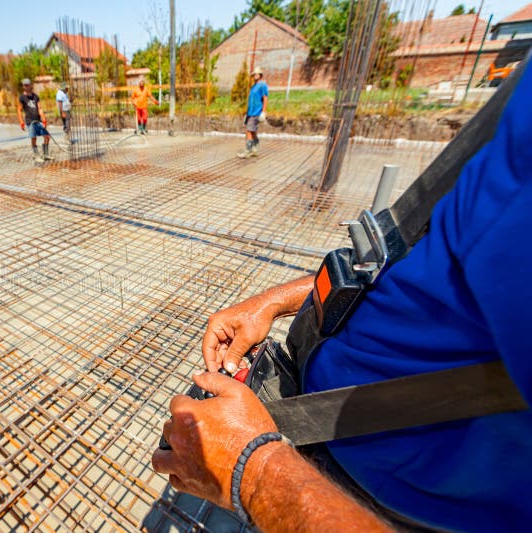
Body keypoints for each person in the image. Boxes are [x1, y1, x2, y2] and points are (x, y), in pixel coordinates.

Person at [152, 62, 532, 531]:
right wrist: (275, 301)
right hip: (309, 421)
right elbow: (418, 259)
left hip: (369, 496)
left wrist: (253, 470)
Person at [17, 78, 53, 163]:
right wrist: (21, 122)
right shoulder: (22, 98)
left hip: (38, 121)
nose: (26, 87)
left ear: (31, 85)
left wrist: (43, 119)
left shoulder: (36, 97)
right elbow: (19, 110)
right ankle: (36, 155)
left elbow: (40, 108)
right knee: (33, 138)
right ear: (23, 86)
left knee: (47, 137)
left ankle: (45, 154)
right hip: (30, 122)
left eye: (27, 85)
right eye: (24, 85)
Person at [238, 66, 269, 159]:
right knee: (253, 130)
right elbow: (251, 100)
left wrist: (263, 112)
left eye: (257, 73)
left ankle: (248, 150)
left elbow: (265, 98)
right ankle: (255, 147)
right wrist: (246, 113)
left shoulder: (263, 85)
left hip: (256, 112)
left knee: (248, 130)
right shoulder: (253, 87)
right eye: (254, 74)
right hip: (250, 112)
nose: (255, 75)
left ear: (260, 75)